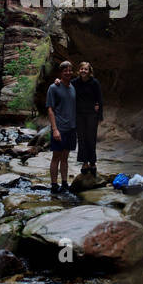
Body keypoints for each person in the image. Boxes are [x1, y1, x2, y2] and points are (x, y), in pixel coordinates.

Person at [43, 61, 79, 198]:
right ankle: (53, 185)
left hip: (71, 128)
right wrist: (55, 129)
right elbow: (50, 109)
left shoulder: (73, 87)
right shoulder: (53, 88)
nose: (68, 72)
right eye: (65, 70)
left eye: (70, 70)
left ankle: (64, 183)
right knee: (56, 157)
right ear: (61, 72)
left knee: (65, 157)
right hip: (59, 128)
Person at [72, 61, 103, 187]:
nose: (83, 71)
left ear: (89, 71)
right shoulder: (74, 82)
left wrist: (100, 114)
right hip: (79, 114)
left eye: (86, 69)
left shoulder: (94, 83)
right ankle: (84, 162)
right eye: (81, 69)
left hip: (91, 114)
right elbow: (65, 87)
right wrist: (57, 81)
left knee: (91, 138)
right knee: (82, 138)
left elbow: (99, 99)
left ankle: (93, 162)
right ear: (78, 70)